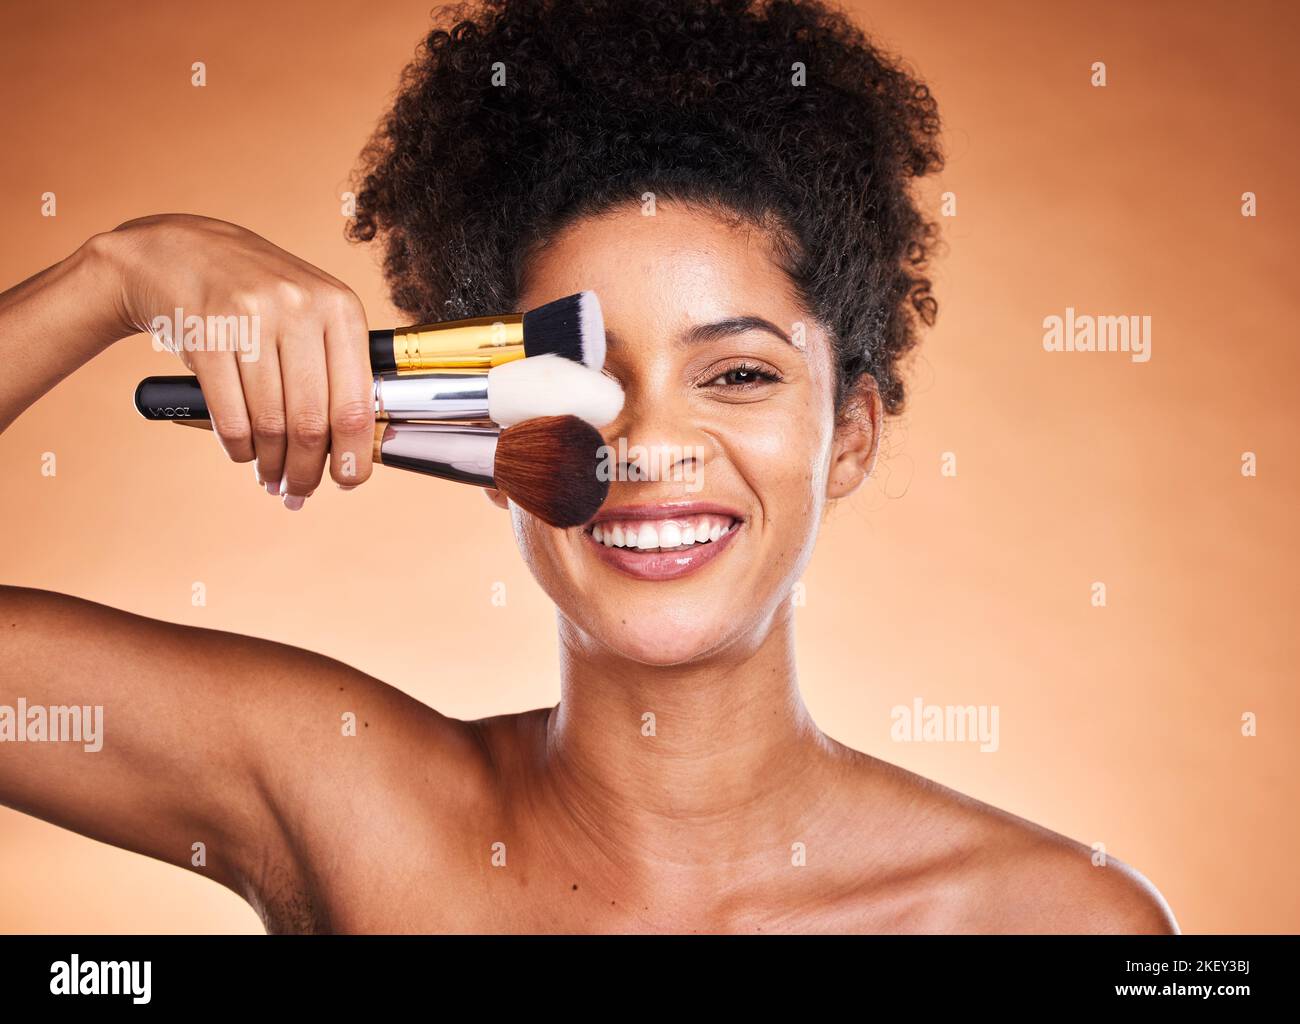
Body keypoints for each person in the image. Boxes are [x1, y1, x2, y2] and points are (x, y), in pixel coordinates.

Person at [0, 0, 1177, 933]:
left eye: (739, 375)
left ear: (852, 433)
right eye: (586, 380)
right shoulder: (347, 805)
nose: (651, 448)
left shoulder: (1058, 923)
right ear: (479, 429)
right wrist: (115, 274)